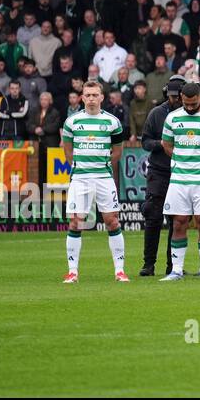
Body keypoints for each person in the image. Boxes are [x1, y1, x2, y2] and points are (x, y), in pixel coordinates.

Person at [60, 80, 129, 283]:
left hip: (104, 178)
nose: (91, 98)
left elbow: (117, 151)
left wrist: (103, 166)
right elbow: (68, 150)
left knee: (112, 221)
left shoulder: (112, 122)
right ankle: (72, 272)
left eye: (94, 95)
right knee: (75, 222)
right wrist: (80, 168)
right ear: (82, 98)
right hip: (80, 178)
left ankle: (119, 271)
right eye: (87, 95)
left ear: (101, 97)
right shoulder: (72, 122)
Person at [159, 81, 200, 281]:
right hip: (179, 179)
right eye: (186, 103)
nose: (189, 107)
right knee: (179, 223)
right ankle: (176, 270)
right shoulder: (172, 118)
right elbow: (166, 144)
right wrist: (181, 160)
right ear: (181, 98)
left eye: (193, 103)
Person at [138, 73, 184, 276]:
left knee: (177, 220)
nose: (176, 100)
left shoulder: (193, 114)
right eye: (173, 96)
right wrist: (163, 145)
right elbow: (145, 141)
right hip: (159, 171)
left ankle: (172, 265)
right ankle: (149, 264)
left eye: (179, 96)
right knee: (153, 217)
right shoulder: (156, 113)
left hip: (181, 173)